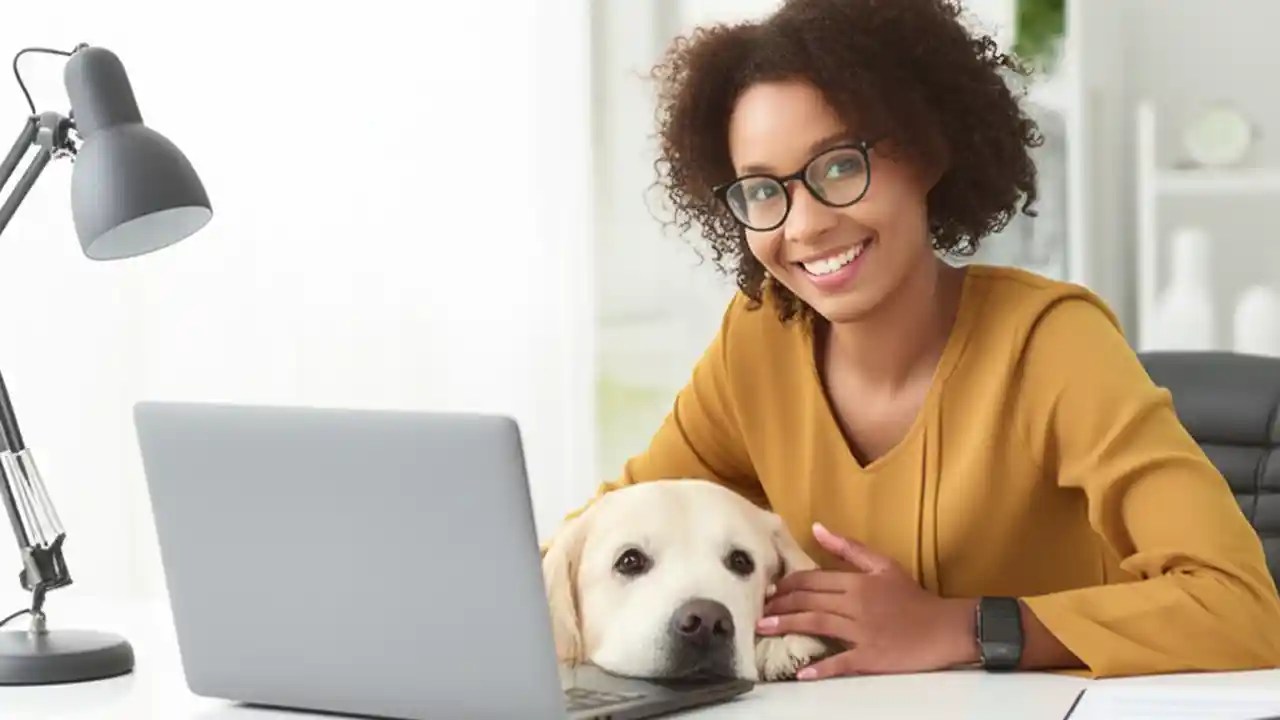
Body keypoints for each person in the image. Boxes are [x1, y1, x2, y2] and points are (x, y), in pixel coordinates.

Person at [551, 0, 1280, 680]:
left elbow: (1243, 607)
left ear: (928, 155)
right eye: (763, 190)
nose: (802, 227)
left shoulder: (1054, 346)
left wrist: (963, 627)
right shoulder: (757, 344)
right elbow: (602, 537)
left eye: (840, 165)